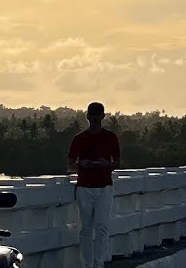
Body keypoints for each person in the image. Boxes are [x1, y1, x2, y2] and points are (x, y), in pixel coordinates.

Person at [67, 101, 121, 268]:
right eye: (93, 114)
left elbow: (117, 163)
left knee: (102, 227)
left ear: (103, 116)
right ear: (88, 116)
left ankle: (98, 264)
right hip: (84, 187)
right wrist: (83, 165)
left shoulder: (110, 137)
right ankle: (87, 265)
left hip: (105, 186)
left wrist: (105, 164)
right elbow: (70, 165)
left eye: (98, 114)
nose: (96, 117)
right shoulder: (79, 139)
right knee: (86, 229)